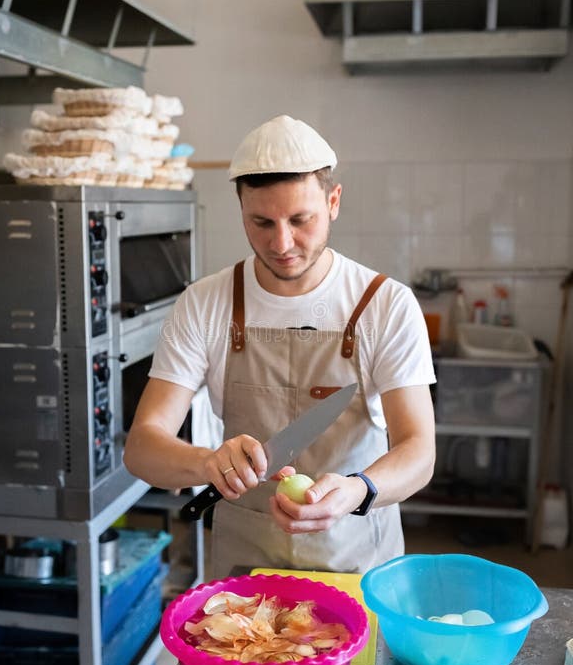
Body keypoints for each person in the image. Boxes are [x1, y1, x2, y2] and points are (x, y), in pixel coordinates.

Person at [124, 114, 436, 577]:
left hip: (356, 563)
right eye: (262, 222)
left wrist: (356, 490)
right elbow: (143, 449)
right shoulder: (206, 303)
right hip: (244, 571)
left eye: (299, 219)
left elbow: (418, 450)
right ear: (240, 210)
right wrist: (209, 462)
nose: (282, 242)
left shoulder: (384, 304)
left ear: (333, 202)